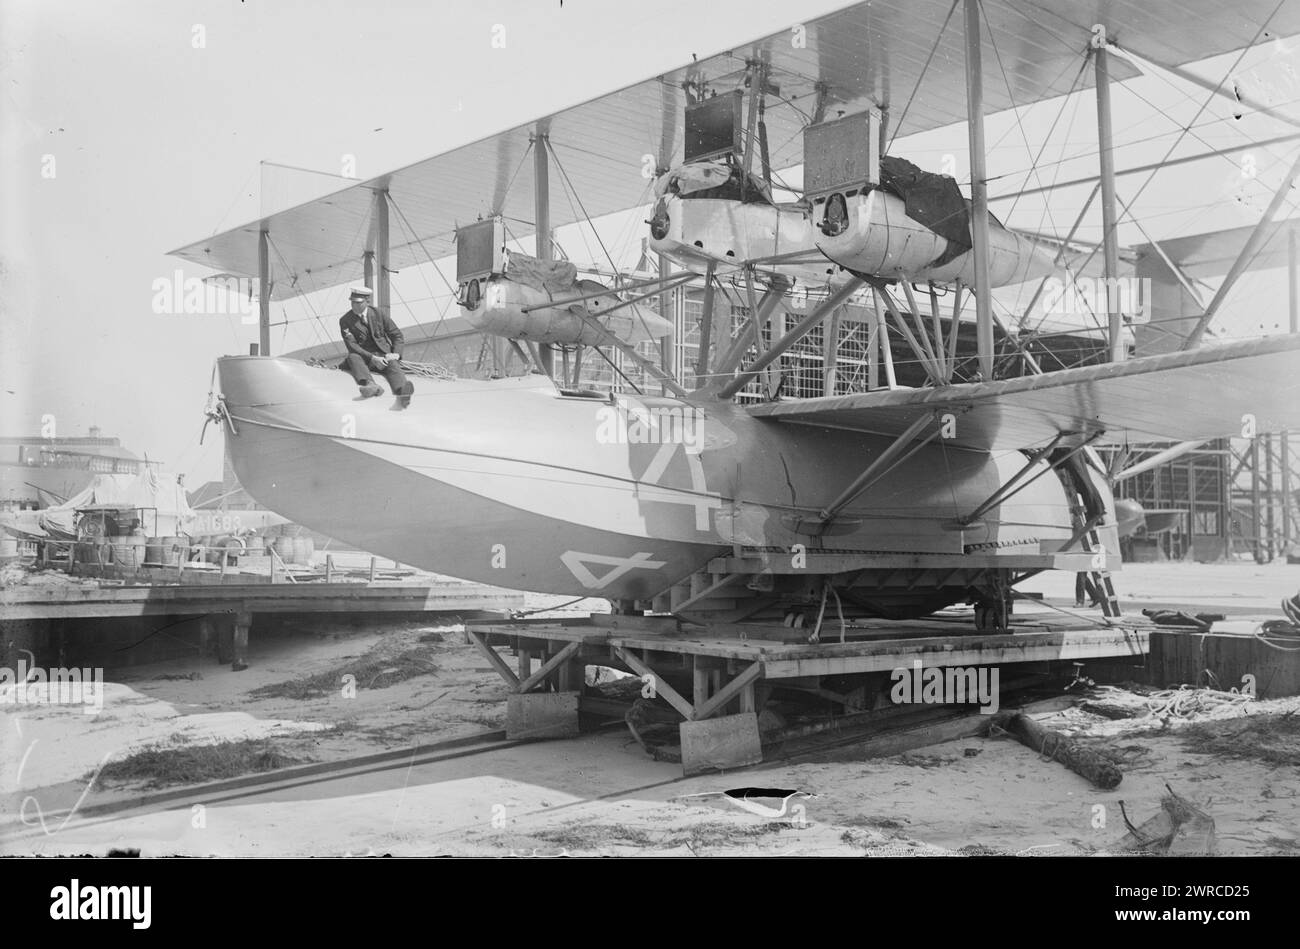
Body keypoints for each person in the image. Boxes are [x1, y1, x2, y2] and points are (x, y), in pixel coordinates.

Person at [338, 286, 414, 408]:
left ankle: (403, 393)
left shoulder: (378, 314)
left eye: (358, 303)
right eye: (352, 302)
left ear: (367, 301)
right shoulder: (345, 320)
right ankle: (370, 384)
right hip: (364, 358)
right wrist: (373, 358)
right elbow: (352, 345)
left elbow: (397, 335)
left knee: (392, 363)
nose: (354, 306)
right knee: (353, 357)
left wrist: (396, 354)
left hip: (383, 356)